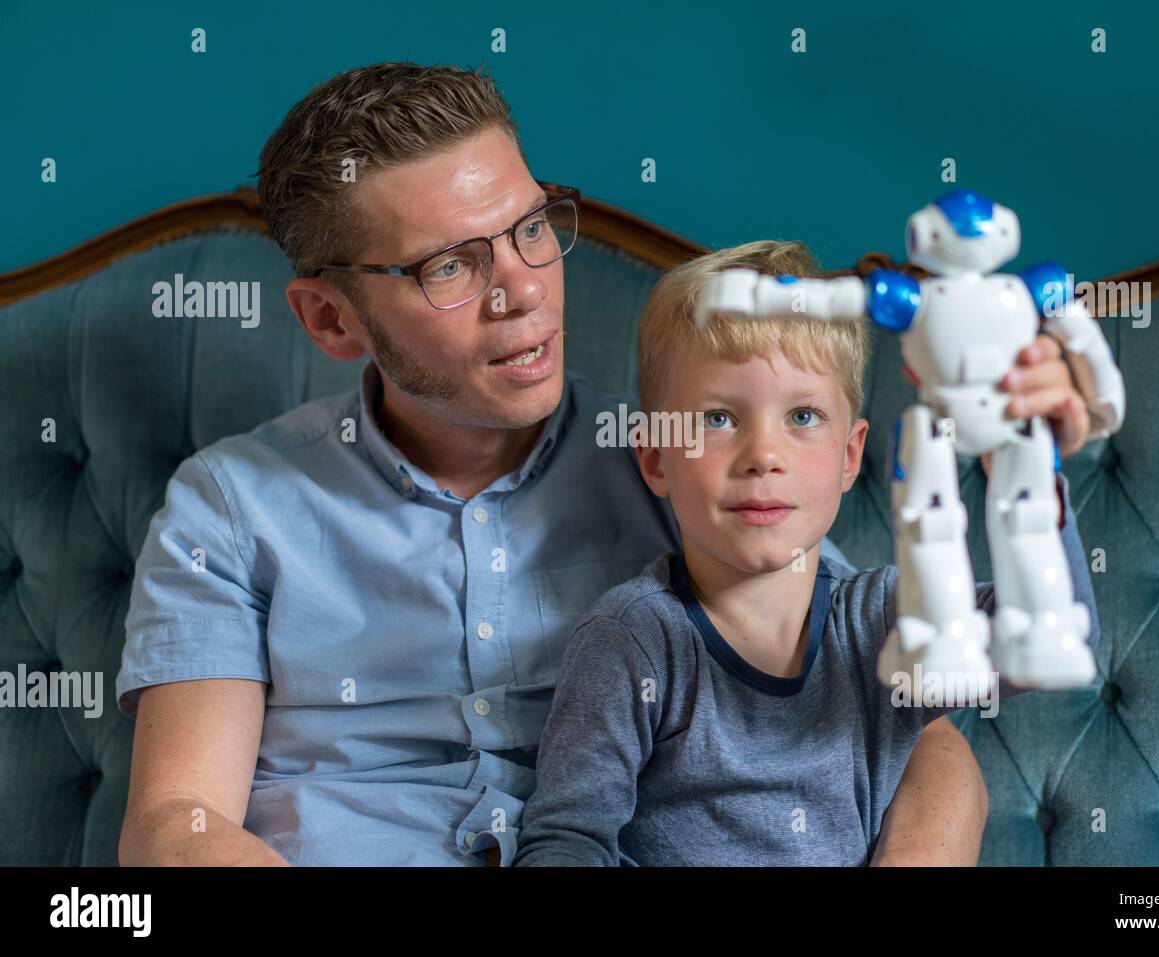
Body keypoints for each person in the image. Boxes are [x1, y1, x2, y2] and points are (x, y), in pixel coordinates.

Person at [115, 63, 1096, 866]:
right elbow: (178, 829)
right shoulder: (234, 508)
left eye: (530, 230)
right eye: (450, 266)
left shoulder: (679, 457)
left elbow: (899, 720)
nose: (522, 294)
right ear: (332, 320)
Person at [513, 240, 1099, 865]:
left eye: (802, 416)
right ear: (656, 457)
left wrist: (1026, 469)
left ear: (851, 455)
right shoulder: (630, 640)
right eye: (717, 419)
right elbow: (567, 839)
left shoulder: (885, 619)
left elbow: (1048, 641)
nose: (764, 454)